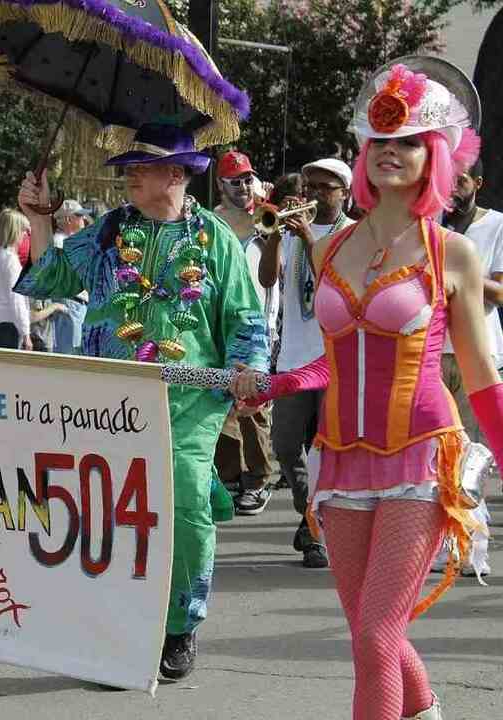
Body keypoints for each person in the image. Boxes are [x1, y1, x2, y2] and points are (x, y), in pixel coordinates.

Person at [232, 60, 502, 720]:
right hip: (342, 460)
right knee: (369, 635)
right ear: (363, 149)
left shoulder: (451, 253)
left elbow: (482, 374)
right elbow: (332, 362)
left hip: (420, 455)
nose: (391, 153)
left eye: (408, 141)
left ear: (434, 154)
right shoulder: (333, 247)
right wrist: (276, 384)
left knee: (378, 635)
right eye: (380, 141)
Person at [17, 126, 269, 681]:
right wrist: (39, 220)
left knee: (182, 500)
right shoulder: (110, 231)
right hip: (108, 399)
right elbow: (48, 279)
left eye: (141, 165)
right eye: (128, 165)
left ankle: (180, 623)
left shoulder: (217, 240)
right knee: (105, 509)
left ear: (176, 175)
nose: (127, 173)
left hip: (188, 399)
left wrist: (250, 372)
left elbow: (248, 318)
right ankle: (118, 628)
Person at [258, 157, 355, 568]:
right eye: (310, 184)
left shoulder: (354, 235)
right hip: (295, 361)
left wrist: (310, 241)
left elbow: (338, 283)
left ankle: (317, 530)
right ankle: (308, 511)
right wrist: (277, 238)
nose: (314, 192)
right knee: (284, 445)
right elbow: (267, 280)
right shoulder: (292, 230)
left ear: (345, 193)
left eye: (325, 187)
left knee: (327, 449)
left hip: (336, 361)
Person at [213, 151, 280, 517]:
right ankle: (230, 476)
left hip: (258, 324)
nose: (243, 186)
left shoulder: (267, 216)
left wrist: (270, 216)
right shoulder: (212, 222)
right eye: (235, 180)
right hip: (221, 323)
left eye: (247, 179)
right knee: (221, 402)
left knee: (254, 405)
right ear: (221, 185)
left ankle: (258, 479)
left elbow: (277, 272)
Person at [440, 158, 503, 444]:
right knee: (435, 449)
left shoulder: (498, 224)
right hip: (431, 351)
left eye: (460, 180)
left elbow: (500, 293)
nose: (452, 187)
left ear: (477, 184)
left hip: (478, 351)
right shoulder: (430, 223)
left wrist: (457, 275)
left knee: (471, 453)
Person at [0, 209, 33, 350]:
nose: (24, 235)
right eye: (23, 230)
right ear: (14, 231)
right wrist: (26, 333)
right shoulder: (10, 259)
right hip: (7, 324)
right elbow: (16, 298)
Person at [51, 200, 90, 355]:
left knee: (75, 353)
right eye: (79, 216)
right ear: (68, 219)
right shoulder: (60, 242)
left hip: (76, 304)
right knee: (70, 355)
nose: (83, 219)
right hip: (71, 304)